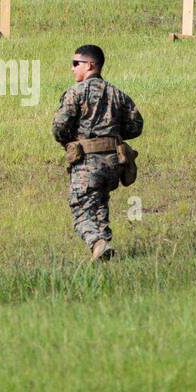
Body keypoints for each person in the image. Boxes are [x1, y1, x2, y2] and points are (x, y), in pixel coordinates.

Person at [52, 44, 143, 261]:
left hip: (87, 164)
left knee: (81, 209)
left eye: (76, 63)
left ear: (90, 65)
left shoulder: (76, 92)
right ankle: (105, 251)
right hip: (113, 164)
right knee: (99, 204)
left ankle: (97, 241)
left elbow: (58, 128)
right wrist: (111, 136)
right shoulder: (118, 94)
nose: (73, 68)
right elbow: (136, 126)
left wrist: (72, 141)